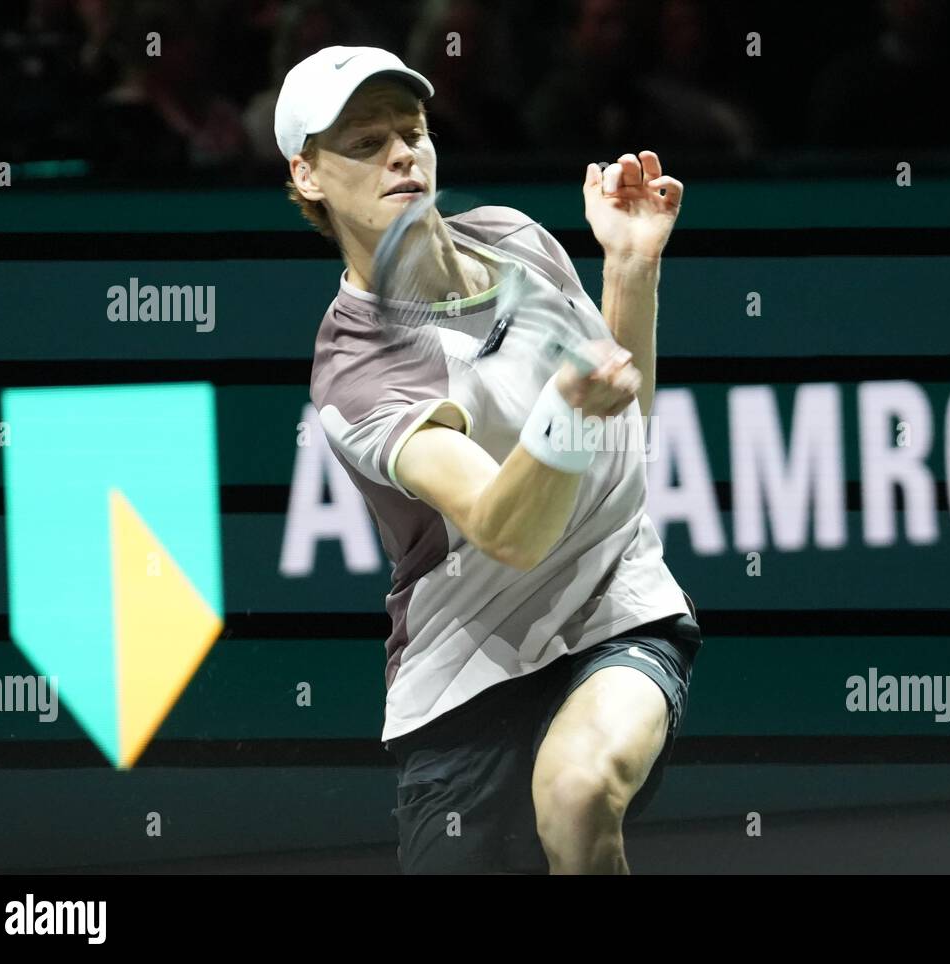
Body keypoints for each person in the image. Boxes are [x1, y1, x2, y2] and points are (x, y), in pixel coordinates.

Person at [274, 46, 701, 873]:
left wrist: (630, 269)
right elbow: (509, 530)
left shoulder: (515, 239)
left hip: (615, 609)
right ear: (309, 175)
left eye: (412, 132)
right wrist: (567, 411)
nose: (402, 154)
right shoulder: (360, 366)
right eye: (366, 143)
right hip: (465, 670)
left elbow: (621, 417)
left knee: (577, 796)